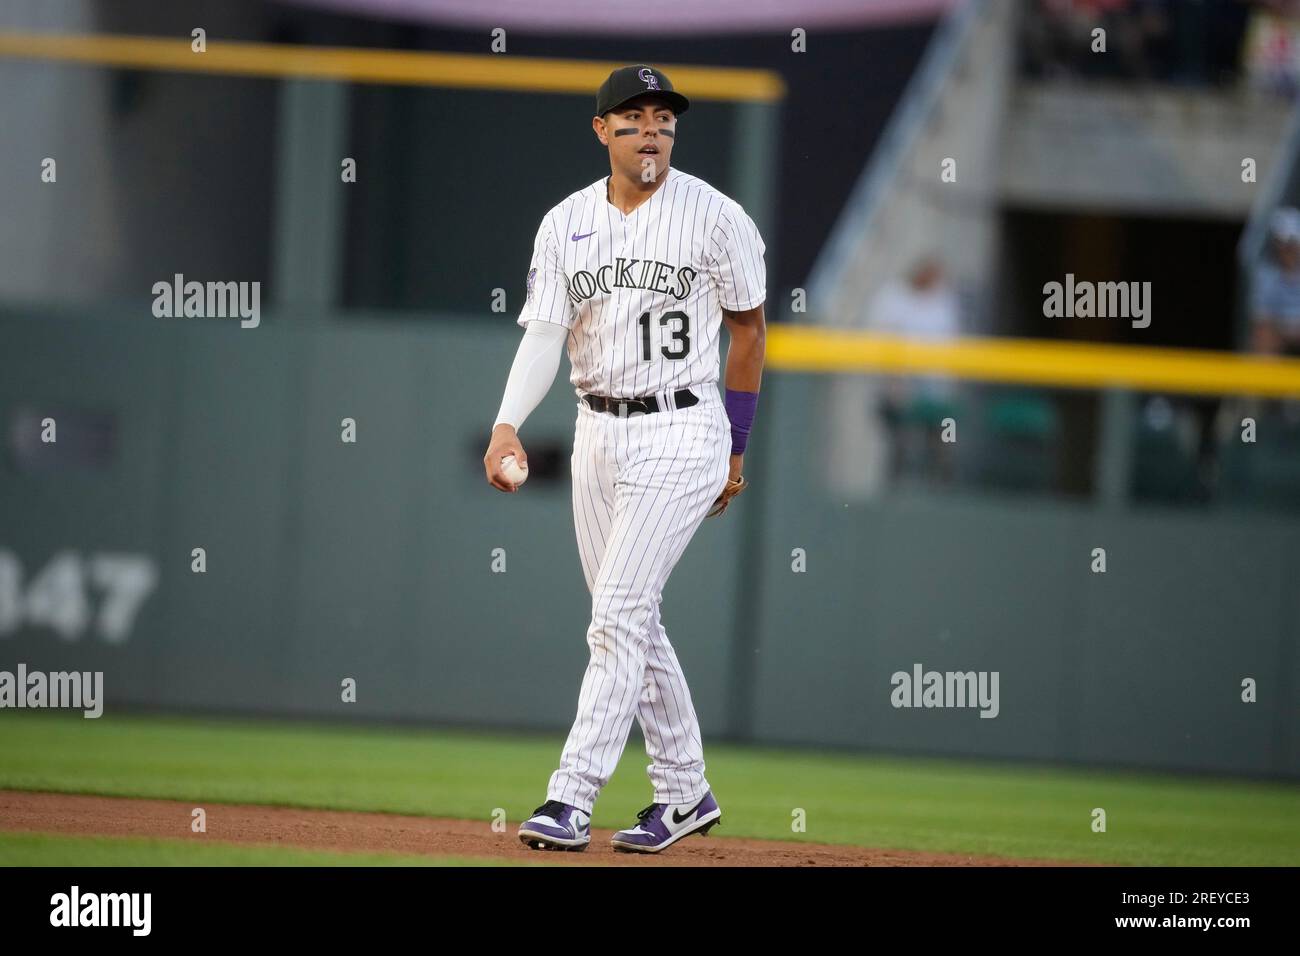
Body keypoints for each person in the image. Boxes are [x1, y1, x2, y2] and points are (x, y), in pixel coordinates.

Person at [482, 65, 767, 854]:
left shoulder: (716, 217)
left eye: (664, 119)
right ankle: (685, 795)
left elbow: (749, 332)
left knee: (616, 616)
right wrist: (508, 425)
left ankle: (570, 799)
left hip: (684, 427)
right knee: (629, 619)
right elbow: (543, 334)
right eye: (635, 118)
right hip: (596, 432)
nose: (653, 130)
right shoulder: (565, 222)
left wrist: (735, 450)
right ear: (602, 129)